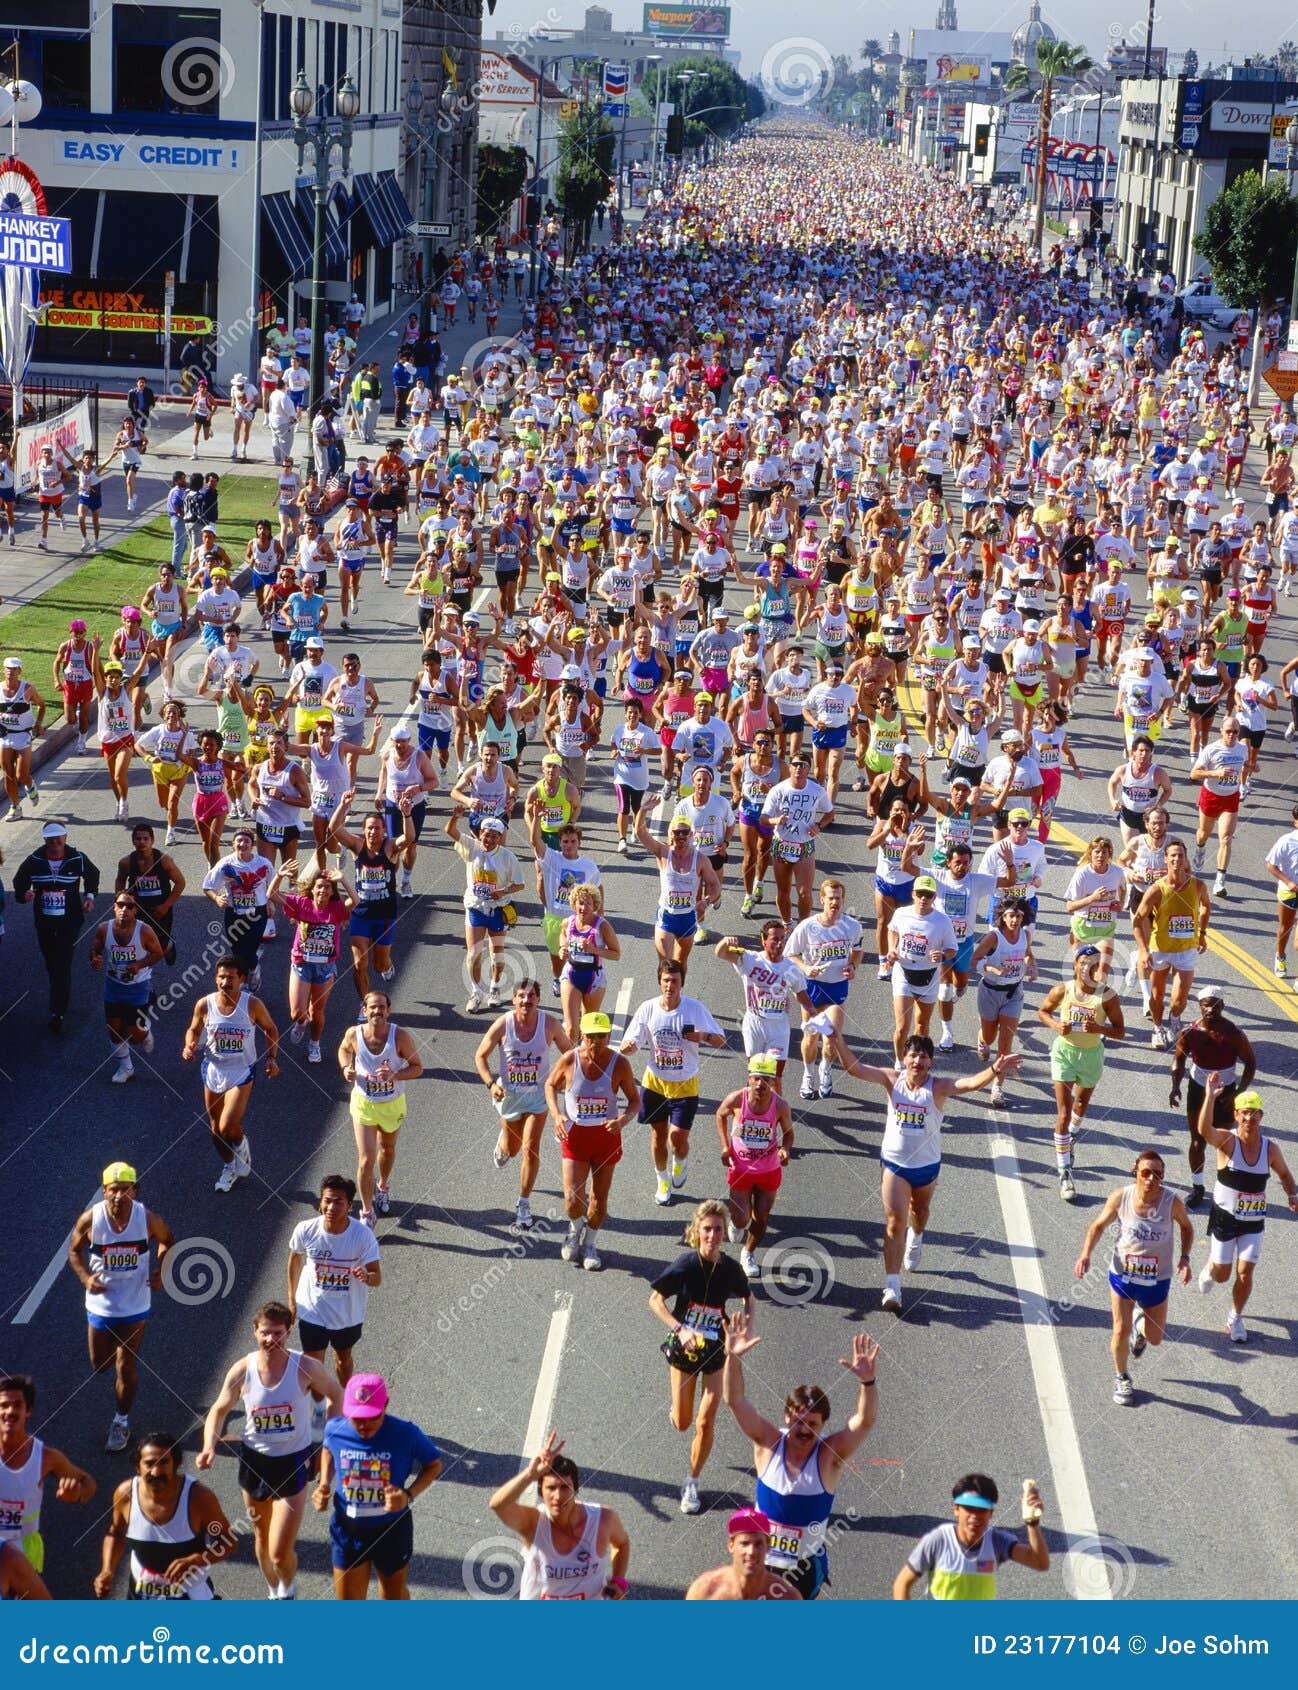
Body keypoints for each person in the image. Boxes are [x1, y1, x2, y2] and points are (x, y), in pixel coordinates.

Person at [822, 1031, 1019, 1311]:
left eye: (924, 1056)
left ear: (931, 1063)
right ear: (904, 1058)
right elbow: (855, 1069)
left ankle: (916, 1238)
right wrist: (836, 1039)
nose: (917, 1060)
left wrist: (996, 1068)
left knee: (920, 1212)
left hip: (926, 1166)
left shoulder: (938, 1087)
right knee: (894, 1222)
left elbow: (971, 1083)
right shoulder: (892, 1080)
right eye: (913, 1055)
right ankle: (892, 1286)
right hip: (894, 1163)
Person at [722, 1312, 880, 1599]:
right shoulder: (768, 1443)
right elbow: (735, 1400)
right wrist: (733, 1359)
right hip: (759, 1561)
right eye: (797, 1421)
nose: (804, 1429)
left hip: (803, 1569)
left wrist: (867, 1384)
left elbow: (864, 1422)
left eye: (812, 1423)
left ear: (823, 1425)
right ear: (786, 1417)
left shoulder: (829, 1456)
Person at [199, 1302, 342, 1600]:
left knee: (279, 1552)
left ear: (288, 1332)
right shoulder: (243, 1369)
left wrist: (331, 1432)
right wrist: (208, 1447)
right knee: (262, 1537)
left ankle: (287, 1591)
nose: (271, 1340)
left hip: (293, 1463)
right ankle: (272, 1591)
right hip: (254, 1463)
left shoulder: (305, 1367)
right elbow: (219, 1408)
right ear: (254, 1332)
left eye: (278, 1333)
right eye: (265, 1333)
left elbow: (336, 1395)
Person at [648, 1199, 753, 1516]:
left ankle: (691, 1483)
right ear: (697, 1231)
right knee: (683, 1423)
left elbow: (749, 1298)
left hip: (715, 1351)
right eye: (707, 1229)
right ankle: (677, 1411)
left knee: (705, 1422)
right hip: (685, 1347)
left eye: (718, 1229)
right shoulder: (685, 1265)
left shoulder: (731, 1269)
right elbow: (655, 1300)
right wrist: (680, 1329)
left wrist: (745, 1330)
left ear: (724, 1232)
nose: (712, 1235)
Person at [1074, 1148, 1195, 1405]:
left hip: (1157, 1280)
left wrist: (1185, 1258)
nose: (1152, 1178)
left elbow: (1186, 1227)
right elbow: (1097, 1226)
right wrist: (1085, 1254)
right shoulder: (1122, 1197)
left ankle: (1140, 1327)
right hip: (1123, 1276)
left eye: (1158, 1174)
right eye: (1146, 1172)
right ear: (1136, 1171)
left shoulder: (1171, 1202)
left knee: (1155, 1338)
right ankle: (1122, 1377)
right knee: (1120, 1329)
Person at [313, 1371, 442, 1601]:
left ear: (386, 1405)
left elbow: (433, 1464)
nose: (364, 1424)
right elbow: (327, 1447)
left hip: (392, 1529)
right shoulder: (335, 1429)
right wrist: (323, 1483)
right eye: (357, 1417)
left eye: (373, 1416)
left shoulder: (406, 1433)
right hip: (348, 1529)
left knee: (392, 1599)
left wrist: (408, 1495)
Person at [1195, 1074, 1298, 1343]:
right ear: (1236, 1115)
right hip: (1225, 1218)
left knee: (1245, 1272)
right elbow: (1204, 1130)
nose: (1250, 1119)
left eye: (1255, 1113)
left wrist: (1292, 1194)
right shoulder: (1228, 1142)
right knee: (1222, 1275)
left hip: (1253, 1221)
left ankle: (1235, 1318)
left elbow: (1286, 1176)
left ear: (1261, 1116)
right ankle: (1210, 1267)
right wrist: (1209, 1096)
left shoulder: (1270, 1148)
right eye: (1245, 1113)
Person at [620, 960, 725, 1206]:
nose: (670, 986)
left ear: (682, 983)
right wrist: (629, 1047)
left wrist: (702, 1036)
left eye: (675, 981)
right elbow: (629, 1044)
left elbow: (721, 1040)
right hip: (655, 1082)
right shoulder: (648, 1008)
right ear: (660, 981)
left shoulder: (694, 1009)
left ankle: (680, 1160)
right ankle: (662, 1180)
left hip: (685, 1084)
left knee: (677, 1137)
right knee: (658, 1135)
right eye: (666, 980)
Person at [543, 1010, 640, 1272]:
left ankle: (591, 1243)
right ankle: (574, 1229)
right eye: (591, 1037)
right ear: (582, 1036)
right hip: (575, 1139)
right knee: (573, 1199)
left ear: (609, 1036)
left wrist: (623, 1120)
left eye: (602, 1036)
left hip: (606, 1140)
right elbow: (550, 1085)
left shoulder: (620, 1064)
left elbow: (635, 1100)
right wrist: (557, 1114)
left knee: (599, 1200)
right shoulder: (568, 1060)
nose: (596, 1042)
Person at [474, 977, 572, 1230]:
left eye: (531, 996)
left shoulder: (549, 1024)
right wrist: (490, 1084)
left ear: (538, 999)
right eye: (521, 996)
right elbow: (480, 1055)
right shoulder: (503, 1024)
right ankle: (503, 1145)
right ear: (514, 999)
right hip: (509, 1097)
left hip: (538, 1098)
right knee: (513, 1149)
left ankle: (523, 1203)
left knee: (531, 1148)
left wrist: (562, 1080)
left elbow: (570, 1055)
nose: (526, 1000)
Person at [489, 1431, 630, 1600]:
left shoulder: (603, 1519)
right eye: (551, 1488)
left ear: (575, 1490)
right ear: (541, 1490)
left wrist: (618, 1581)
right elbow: (498, 1505)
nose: (558, 1496)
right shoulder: (532, 1523)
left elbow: (621, 1543)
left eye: (565, 1487)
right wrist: (530, 1474)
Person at [181, 955, 281, 1191]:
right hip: (214, 1068)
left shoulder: (252, 1005)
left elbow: (271, 1029)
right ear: (215, 978)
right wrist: (189, 1045)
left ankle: (241, 1145)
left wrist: (272, 1058)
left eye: (231, 978)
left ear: (242, 979)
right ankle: (229, 1166)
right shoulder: (205, 1004)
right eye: (221, 977)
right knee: (215, 1128)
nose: (225, 982)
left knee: (228, 1126)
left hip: (241, 1070)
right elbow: (193, 1030)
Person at [1037, 945, 1126, 1201]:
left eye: (1094, 964)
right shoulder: (1062, 990)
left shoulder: (1107, 996)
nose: (1088, 967)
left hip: (1091, 1056)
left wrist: (1099, 1028)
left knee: (1081, 1105)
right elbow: (1043, 1011)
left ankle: (1071, 1139)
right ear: (1075, 965)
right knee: (1063, 1113)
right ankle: (1065, 1172)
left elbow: (1120, 1031)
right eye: (1084, 962)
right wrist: (1055, 1024)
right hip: (1064, 1053)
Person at [94, 1434, 232, 1600]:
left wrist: (199, 1559)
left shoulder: (198, 1497)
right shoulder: (126, 1494)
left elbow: (228, 1541)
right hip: (141, 1590)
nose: (156, 1471)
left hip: (190, 1593)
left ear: (176, 1465)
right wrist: (107, 1570)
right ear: (138, 1467)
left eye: (164, 1463)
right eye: (149, 1463)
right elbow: (116, 1533)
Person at [338, 990, 424, 1226]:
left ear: (389, 1010)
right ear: (364, 1011)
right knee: (365, 1159)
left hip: (392, 1104)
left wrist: (395, 1074)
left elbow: (417, 1067)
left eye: (381, 1007)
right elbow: (344, 1050)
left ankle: (383, 1186)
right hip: (364, 1104)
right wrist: (346, 1067)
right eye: (372, 1007)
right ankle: (366, 1212)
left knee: (387, 1148)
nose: (377, 1011)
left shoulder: (400, 1037)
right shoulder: (354, 1034)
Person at [288, 1174, 382, 1386]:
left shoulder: (362, 1235)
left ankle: (345, 1397)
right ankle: (320, 1408)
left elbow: (377, 1277)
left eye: (338, 1202)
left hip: (347, 1315)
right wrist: (292, 1300)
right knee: (312, 1364)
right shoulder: (306, 1229)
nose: (331, 1207)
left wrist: (367, 1277)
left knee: (343, 1359)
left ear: (349, 1205)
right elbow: (295, 1259)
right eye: (327, 1201)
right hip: (312, 1311)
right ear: (320, 1202)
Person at [893, 1474, 1049, 1599]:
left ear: (991, 1513)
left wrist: (1032, 1522)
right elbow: (902, 1584)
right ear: (956, 1509)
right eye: (969, 1508)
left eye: (981, 1510)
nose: (974, 1516)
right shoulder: (938, 1541)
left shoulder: (997, 1541)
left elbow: (1039, 1563)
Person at [0, 1375, 96, 1576]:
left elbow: (89, 1484)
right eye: (4, 1405)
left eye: (17, 1405)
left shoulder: (46, 1457)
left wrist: (76, 1494)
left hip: (24, 1550)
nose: (10, 1411)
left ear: (28, 1411)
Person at [1169, 988, 1256, 1209]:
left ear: (1222, 1006)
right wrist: (1175, 1087)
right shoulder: (1190, 1032)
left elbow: (1251, 1063)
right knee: (1197, 1141)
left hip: (1226, 1094)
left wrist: (1238, 1094)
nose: (1210, 1009)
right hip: (1198, 1089)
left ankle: (1226, 1189)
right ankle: (1198, 1187)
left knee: (1224, 1143)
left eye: (1215, 1005)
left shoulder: (1234, 1034)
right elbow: (1178, 1061)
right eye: (1206, 1004)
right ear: (1199, 1006)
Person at [12, 821, 100, 1032]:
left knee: (61, 963)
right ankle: (58, 994)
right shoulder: (34, 860)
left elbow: (92, 874)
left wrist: (89, 896)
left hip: (70, 920)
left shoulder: (76, 858)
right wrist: (24, 895)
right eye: (51, 838)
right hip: (44, 921)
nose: (55, 842)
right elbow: (19, 881)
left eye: (59, 837)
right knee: (52, 964)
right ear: (45, 840)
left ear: (65, 837)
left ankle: (57, 1012)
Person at [785, 877, 864, 1101]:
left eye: (838, 898)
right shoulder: (808, 926)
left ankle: (825, 1069)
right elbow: (789, 954)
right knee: (810, 1036)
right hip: (812, 987)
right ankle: (808, 1074)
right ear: (822, 899)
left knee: (831, 1037)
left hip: (837, 987)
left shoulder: (852, 926)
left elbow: (857, 952)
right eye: (830, 898)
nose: (834, 903)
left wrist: (852, 966)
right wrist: (806, 968)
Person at [716, 1054, 795, 1277]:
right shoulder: (736, 1099)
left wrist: (785, 1150)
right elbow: (720, 1114)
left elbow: (789, 1134)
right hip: (741, 1169)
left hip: (768, 1170)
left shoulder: (780, 1105)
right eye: (756, 1078)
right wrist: (725, 1146)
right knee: (741, 1218)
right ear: (749, 1078)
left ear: (773, 1082)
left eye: (766, 1079)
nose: (760, 1084)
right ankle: (737, 1223)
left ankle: (748, 1252)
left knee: (762, 1216)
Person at [272, 861, 356, 1063]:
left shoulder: (337, 909)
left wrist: (343, 879)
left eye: (327, 887)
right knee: (297, 1012)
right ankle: (301, 1024)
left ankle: (314, 1044)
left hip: (325, 967)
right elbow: (271, 895)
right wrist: (279, 875)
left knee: (316, 1010)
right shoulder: (301, 904)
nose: (323, 890)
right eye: (319, 886)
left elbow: (356, 901)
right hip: (301, 964)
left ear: (331, 891)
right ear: (312, 889)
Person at [1130, 839, 1210, 1049]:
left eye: (1180, 855)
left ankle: (1175, 1019)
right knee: (1157, 996)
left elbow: (1205, 907)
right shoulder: (1157, 889)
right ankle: (1157, 1029)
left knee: (1178, 999)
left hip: (1186, 950)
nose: (1176, 859)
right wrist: (1143, 950)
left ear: (1185, 859)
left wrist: (1202, 933)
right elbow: (1138, 920)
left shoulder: (1197, 885)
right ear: (1165, 859)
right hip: (1161, 949)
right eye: (1172, 855)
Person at [714, 922, 814, 1089]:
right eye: (775, 939)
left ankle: (776, 1115)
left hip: (778, 1028)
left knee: (774, 1077)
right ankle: (753, 1112)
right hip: (754, 1025)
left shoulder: (792, 968)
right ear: (764, 941)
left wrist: (812, 1011)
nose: (780, 944)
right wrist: (725, 941)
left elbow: (801, 993)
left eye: (783, 939)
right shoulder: (749, 958)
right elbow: (720, 953)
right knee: (756, 1076)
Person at [446, 808, 525, 1010]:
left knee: (496, 954)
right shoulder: (472, 847)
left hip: (498, 910)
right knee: (473, 954)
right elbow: (451, 832)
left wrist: (503, 891)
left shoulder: (508, 857)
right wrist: (455, 817)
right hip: (475, 908)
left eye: (493, 836)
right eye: (485, 834)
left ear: (499, 837)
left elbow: (520, 884)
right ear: (480, 834)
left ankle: (495, 987)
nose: (488, 839)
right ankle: (476, 992)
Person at [89, 890, 165, 1085]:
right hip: (113, 985)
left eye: (129, 906)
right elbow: (95, 951)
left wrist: (139, 965)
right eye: (120, 905)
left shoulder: (144, 931)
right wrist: (95, 960)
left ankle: (146, 1032)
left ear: (136, 910)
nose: (124, 909)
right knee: (114, 1030)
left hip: (138, 987)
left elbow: (158, 953)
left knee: (134, 1035)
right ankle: (126, 1067)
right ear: (114, 907)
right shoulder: (104, 929)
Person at [635, 808, 721, 973]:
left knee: (680, 964)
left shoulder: (700, 859)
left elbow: (715, 885)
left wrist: (707, 901)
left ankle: (678, 995)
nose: (681, 836)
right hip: (666, 916)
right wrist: (644, 810)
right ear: (671, 834)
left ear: (691, 834)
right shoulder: (663, 852)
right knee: (666, 964)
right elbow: (641, 833)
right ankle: (666, 996)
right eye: (677, 832)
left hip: (687, 917)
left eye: (685, 832)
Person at [684, 1509, 798, 1600]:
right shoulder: (706, 1591)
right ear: (731, 1546)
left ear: (768, 1547)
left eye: (758, 1544)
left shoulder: (787, 1597)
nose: (751, 1551)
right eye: (744, 1543)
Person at [0, 655, 46, 821]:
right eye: (8, 668)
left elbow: (42, 705)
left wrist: (39, 723)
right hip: (5, 736)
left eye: (14, 669)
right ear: (3, 670)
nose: (11, 672)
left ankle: (29, 785)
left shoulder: (28, 689)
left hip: (22, 736)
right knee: (8, 775)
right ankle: (15, 806)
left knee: (21, 775)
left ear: (19, 671)